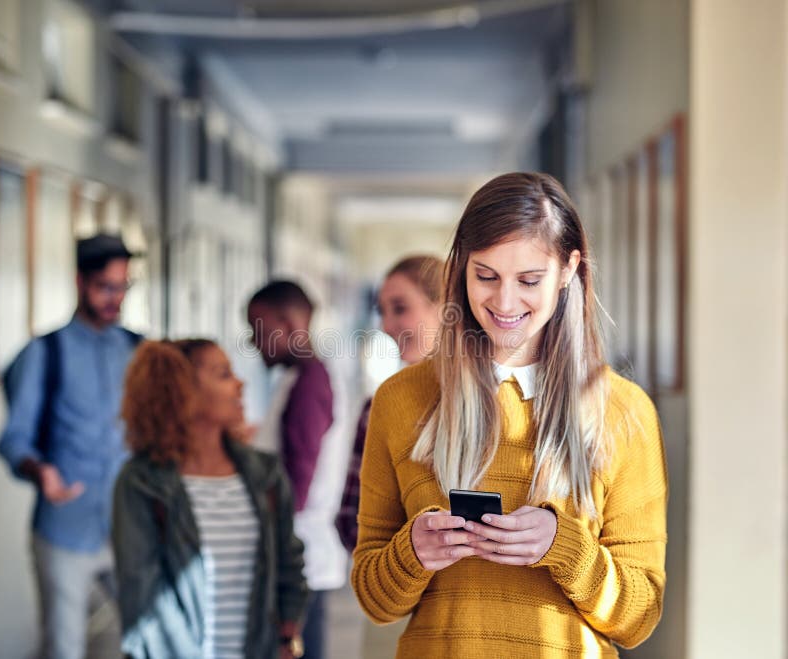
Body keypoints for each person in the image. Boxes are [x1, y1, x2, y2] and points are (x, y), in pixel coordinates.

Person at [351, 172, 668, 658]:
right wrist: (411, 553)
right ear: (459, 270)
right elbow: (375, 601)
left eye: (528, 280)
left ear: (568, 270)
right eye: (486, 276)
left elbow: (638, 617)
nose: (503, 302)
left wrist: (565, 548)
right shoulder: (400, 400)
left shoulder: (623, 411)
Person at [113, 339, 308, 659]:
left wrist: (288, 632)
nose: (240, 384)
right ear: (181, 390)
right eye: (223, 374)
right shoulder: (142, 483)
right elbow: (142, 596)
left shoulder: (265, 474)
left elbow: (289, 561)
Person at [0, 233, 142, 659]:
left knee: (147, 639)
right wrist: (38, 469)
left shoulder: (138, 349)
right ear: (80, 282)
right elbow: (14, 438)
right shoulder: (45, 352)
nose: (116, 298)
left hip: (127, 528)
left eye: (123, 287)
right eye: (105, 287)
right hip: (65, 529)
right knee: (65, 646)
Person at [247, 281, 347, 659]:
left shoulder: (309, 383)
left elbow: (295, 488)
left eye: (258, 328)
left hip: (299, 562)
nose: (253, 340)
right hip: (296, 555)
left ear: (288, 324)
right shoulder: (298, 377)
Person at [335, 254, 445, 551]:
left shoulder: (495, 403)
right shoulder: (378, 408)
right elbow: (351, 524)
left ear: (447, 309)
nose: (386, 325)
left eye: (400, 308)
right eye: (382, 311)